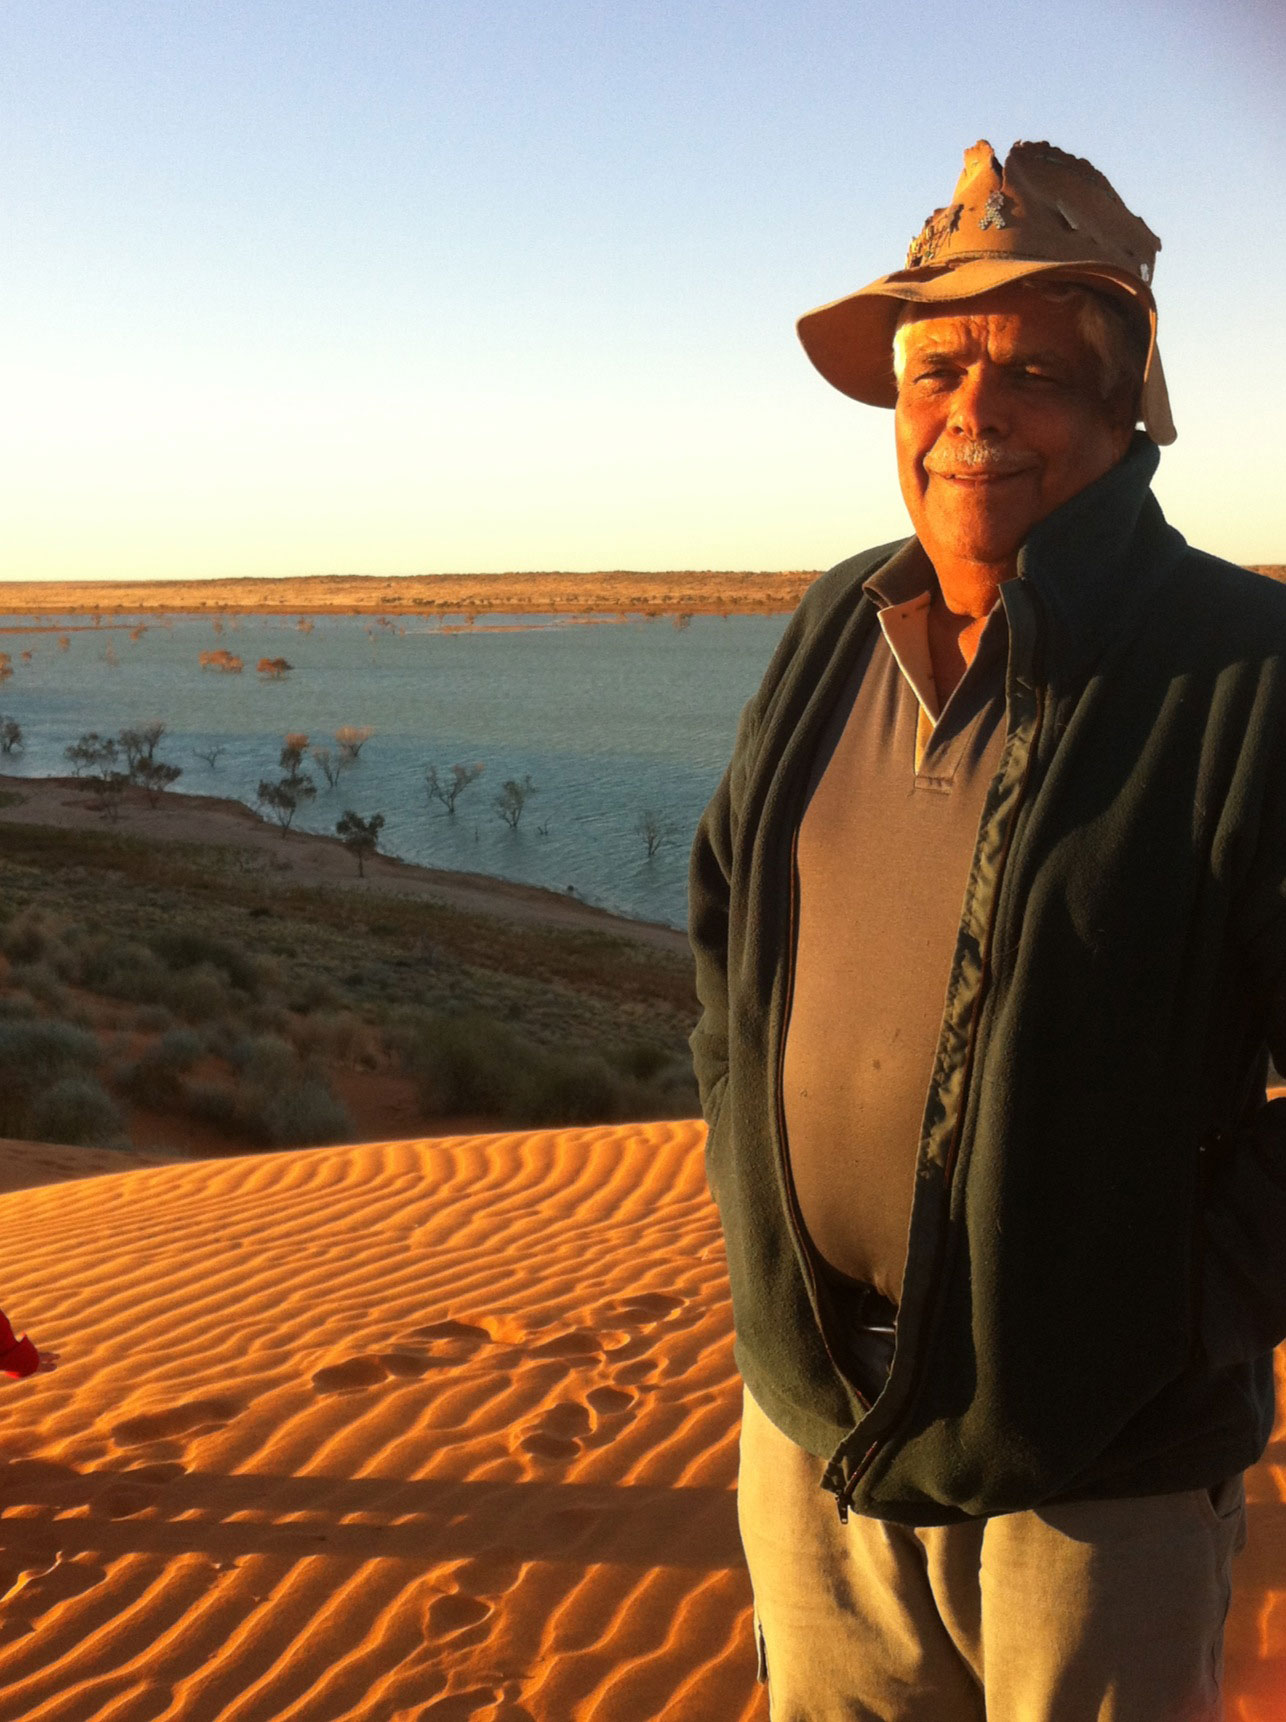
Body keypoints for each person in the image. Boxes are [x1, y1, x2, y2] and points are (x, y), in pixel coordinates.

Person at [688, 138, 1286, 1720]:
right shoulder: (835, 623)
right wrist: (760, 1229)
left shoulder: (1242, 671)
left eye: (1031, 372)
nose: (971, 411)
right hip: (812, 1422)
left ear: (1124, 407)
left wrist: (1159, 1313)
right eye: (935, 365)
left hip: (1099, 1473)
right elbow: (724, 943)